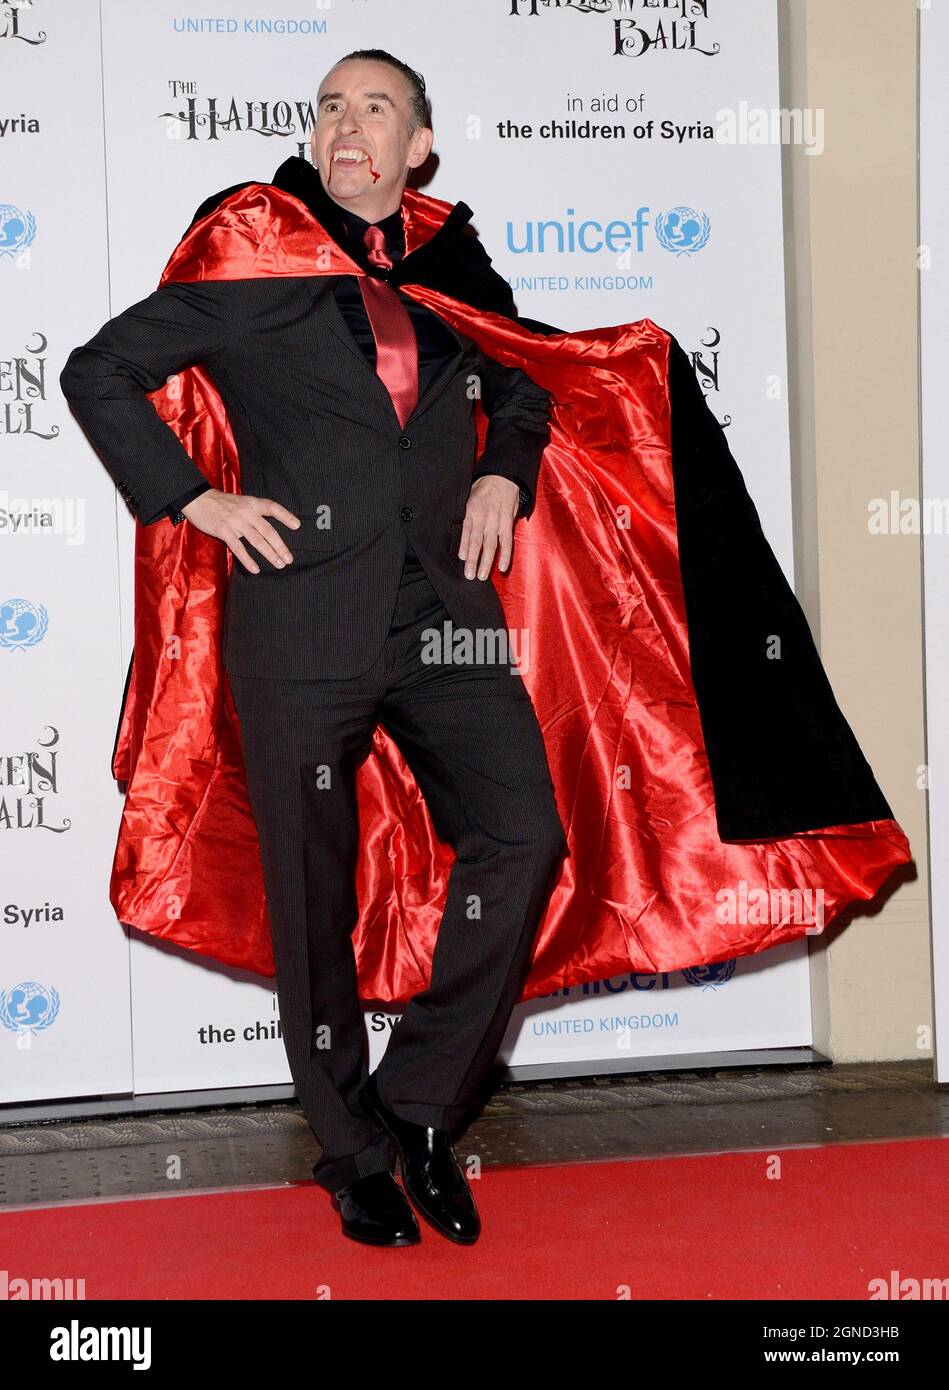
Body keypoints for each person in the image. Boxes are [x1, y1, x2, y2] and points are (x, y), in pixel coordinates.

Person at [59, 49, 568, 1249]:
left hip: (442, 615)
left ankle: (423, 1106)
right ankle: (349, 1151)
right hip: (300, 625)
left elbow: (528, 375)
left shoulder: (454, 265)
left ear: (419, 147)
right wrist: (197, 500)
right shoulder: (257, 257)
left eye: (376, 108)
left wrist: (502, 463)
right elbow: (100, 370)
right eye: (331, 107)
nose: (349, 127)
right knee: (311, 897)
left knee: (525, 831)